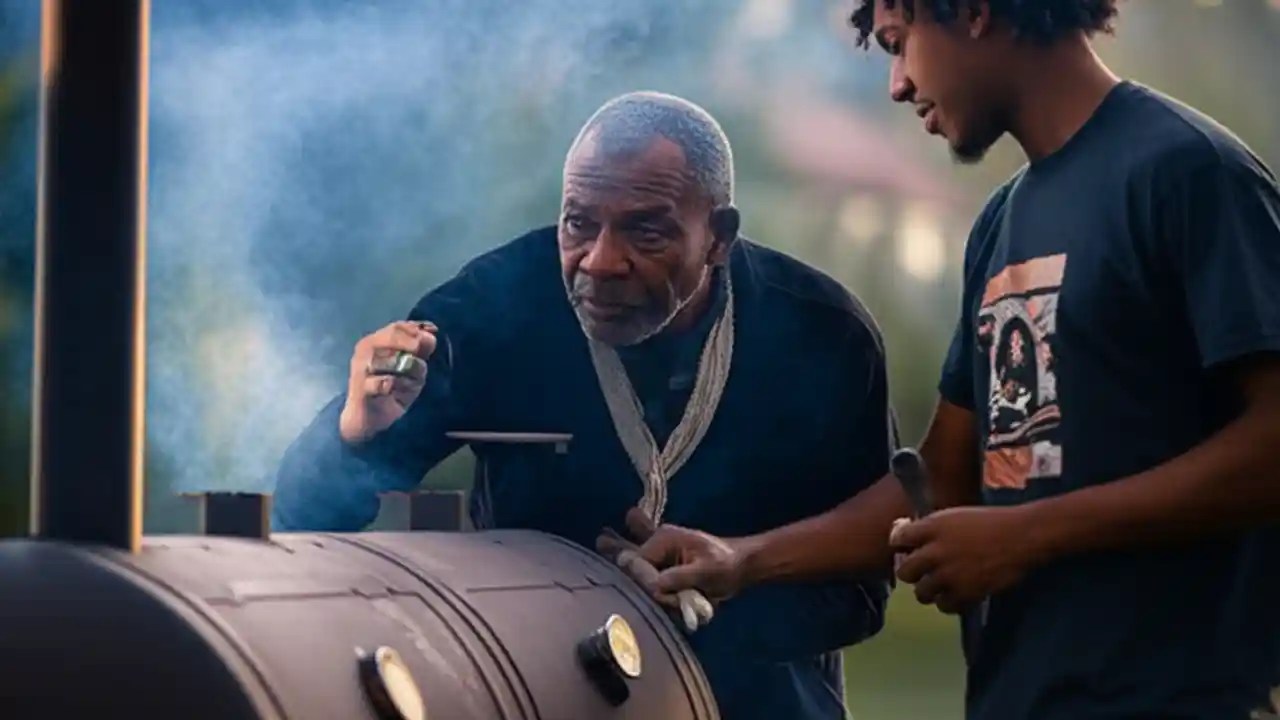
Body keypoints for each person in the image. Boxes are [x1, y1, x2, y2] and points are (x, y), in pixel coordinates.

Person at [628, 2, 1280, 719]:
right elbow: (943, 475)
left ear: (971, 13)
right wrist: (742, 560)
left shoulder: (1186, 171)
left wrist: (1027, 534)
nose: (897, 85)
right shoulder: (1001, 224)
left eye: (899, 45)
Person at [270, 90, 898, 720]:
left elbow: (863, 582)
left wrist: (709, 605)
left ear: (718, 238)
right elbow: (308, 515)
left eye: (644, 230)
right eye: (578, 223)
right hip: (542, 699)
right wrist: (356, 430)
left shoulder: (822, 333)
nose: (599, 262)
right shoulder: (494, 310)